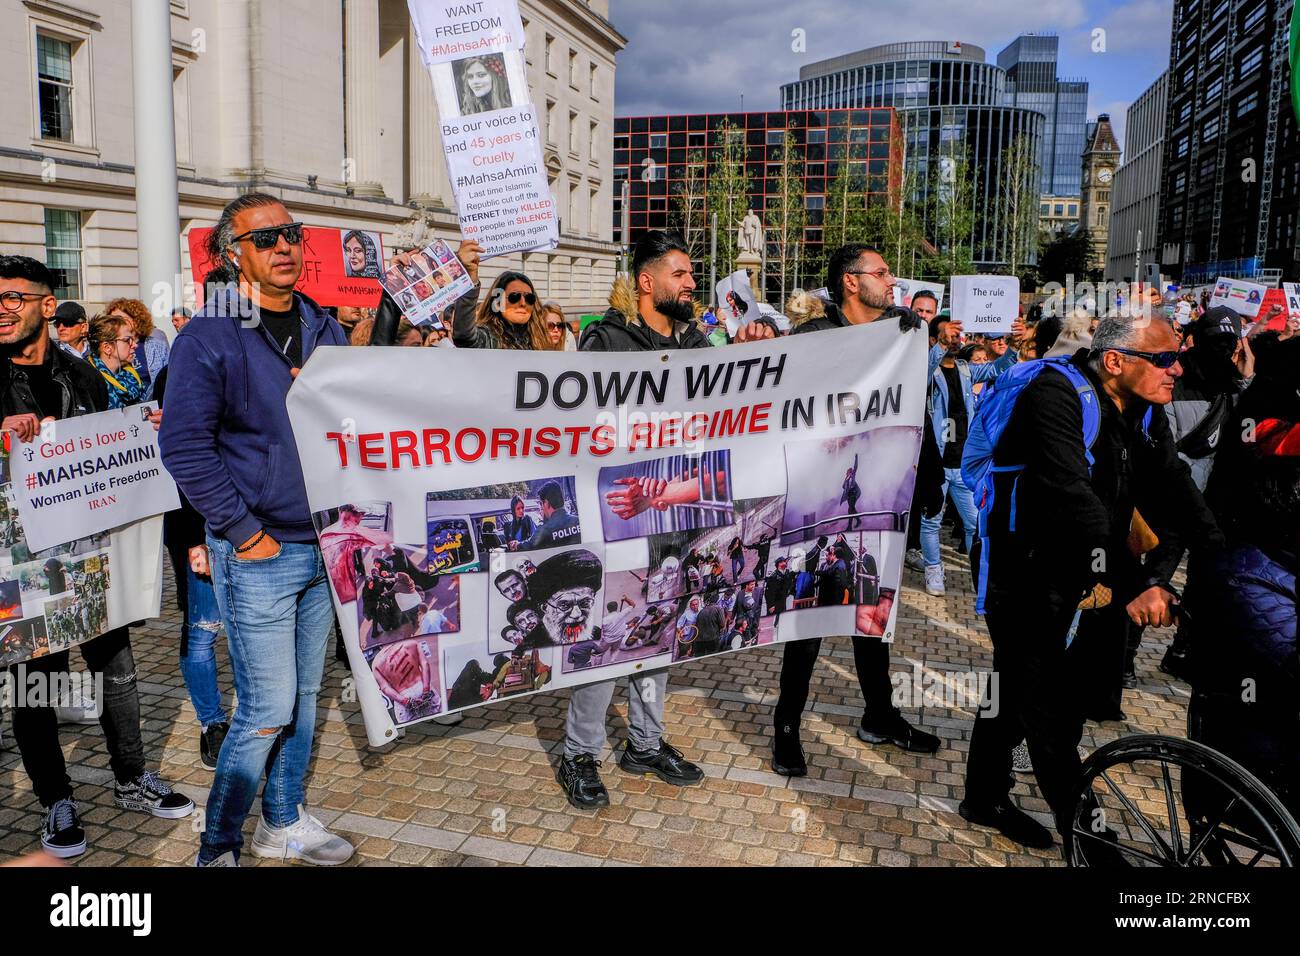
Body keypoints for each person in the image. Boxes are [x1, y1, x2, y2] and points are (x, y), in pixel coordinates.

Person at [960, 314, 1221, 854]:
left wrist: (1221, 554)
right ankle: (1093, 841)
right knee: (1043, 707)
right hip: (1024, 569)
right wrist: (1135, 587)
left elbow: (1171, 480)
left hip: (1086, 569)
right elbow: (1071, 498)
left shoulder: (1146, 408)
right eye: (1165, 359)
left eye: (1180, 358)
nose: (1177, 370)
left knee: (1019, 691)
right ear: (1115, 361)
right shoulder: (1055, 395)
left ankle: (981, 798)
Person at [159, 193, 353, 867]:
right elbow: (184, 446)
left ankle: (281, 820)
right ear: (229, 253)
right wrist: (242, 531)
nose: (284, 247)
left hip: (323, 544)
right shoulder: (209, 335)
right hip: (259, 550)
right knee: (266, 706)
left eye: (292, 234)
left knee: (303, 697)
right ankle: (217, 846)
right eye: (265, 238)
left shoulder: (326, 328)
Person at [556, 231, 773, 809]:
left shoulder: (701, 344)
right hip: (622, 514)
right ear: (647, 282)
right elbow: (578, 425)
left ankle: (645, 743)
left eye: (692, 273)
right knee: (611, 636)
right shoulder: (606, 342)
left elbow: (743, 398)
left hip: (679, 515)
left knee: (662, 632)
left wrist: (754, 344)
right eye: (680, 274)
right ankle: (580, 753)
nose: (691, 283)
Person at [0, 255, 193, 859]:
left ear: (45, 305)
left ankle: (132, 777)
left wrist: (145, 430)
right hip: (21, 565)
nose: (2, 309)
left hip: (85, 551)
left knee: (118, 668)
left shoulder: (80, 376)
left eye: (14, 298)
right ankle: (55, 800)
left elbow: (108, 451)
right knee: (38, 681)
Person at [771, 244, 940, 779]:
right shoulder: (813, 338)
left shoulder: (900, 333)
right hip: (818, 494)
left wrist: (929, 473)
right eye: (882, 273)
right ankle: (786, 727)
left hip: (878, 492)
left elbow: (915, 408)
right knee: (810, 620)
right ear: (850, 281)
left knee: (872, 611)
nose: (892, 281)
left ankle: (880, 715)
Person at [1158, 306, 1253, 680]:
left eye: (1229, 344)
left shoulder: (1235, 387)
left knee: (1202, 584)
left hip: (1213, 507)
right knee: (1154, 578)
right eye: (1217, 342)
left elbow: (1249, 437)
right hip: (1176, 502)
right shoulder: (1173, 379)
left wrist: (1247, 379)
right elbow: (1164, 447)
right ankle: (1123, 660)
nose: (1223, 351)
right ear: (1196, 341)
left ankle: (1181, 651)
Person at [921, 310, 1021, 594]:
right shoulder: (928, 370)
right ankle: (933, 570)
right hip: (936, 460)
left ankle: (981, 572)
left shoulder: (965, 368)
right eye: (948, 334)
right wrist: (939, 345)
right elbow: (922, 371)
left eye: (957, 335)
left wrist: (1014, 346)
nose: (955, 339)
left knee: (974, 522)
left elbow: (996, 369)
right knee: (932, 521)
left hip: (963, 462)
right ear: (935, 338)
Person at [104, 297, 168, 399]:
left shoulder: (157, 346)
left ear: (137, 320)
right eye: (112, 320)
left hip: (154, 404)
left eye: (121, 319)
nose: (116, 324)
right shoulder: (109, 346)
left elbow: (169, 378)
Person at [85, 314, 146, 409]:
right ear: (107, 347)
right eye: (127, 340)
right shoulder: (88, 380)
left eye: (133, 339)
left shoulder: (131, 375)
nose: (134, 345)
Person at [518, 481, 580, 549]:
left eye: (541, 504)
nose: (541, 508)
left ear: (546, 503)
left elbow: (528, 545)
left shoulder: (544, 530)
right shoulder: (578, 521)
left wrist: (517, 545)